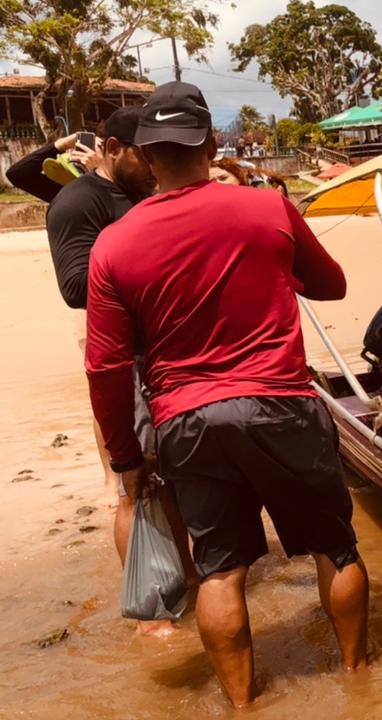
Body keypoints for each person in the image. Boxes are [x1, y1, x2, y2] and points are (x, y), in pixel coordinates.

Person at [85, 81, 368, 708]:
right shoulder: (267, 208)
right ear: (211, 144)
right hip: (282, 404)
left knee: (220, 568)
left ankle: (241, 704)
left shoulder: (113, 245)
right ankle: (359, 681)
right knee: (334, 546)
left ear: (146, 155)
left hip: (186, 420)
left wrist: (126, 460)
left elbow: (104, 367)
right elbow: (333, 286)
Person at [9, 109, 195, 635]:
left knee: (175, 479)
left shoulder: (144, 191)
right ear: (114, 149)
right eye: (146, 153)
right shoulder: (76, 201)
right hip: (120, 358)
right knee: (134, 485)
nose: (157, 163)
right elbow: (74, 288)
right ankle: (152, 613)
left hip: (168, 354)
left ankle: (186, 583)